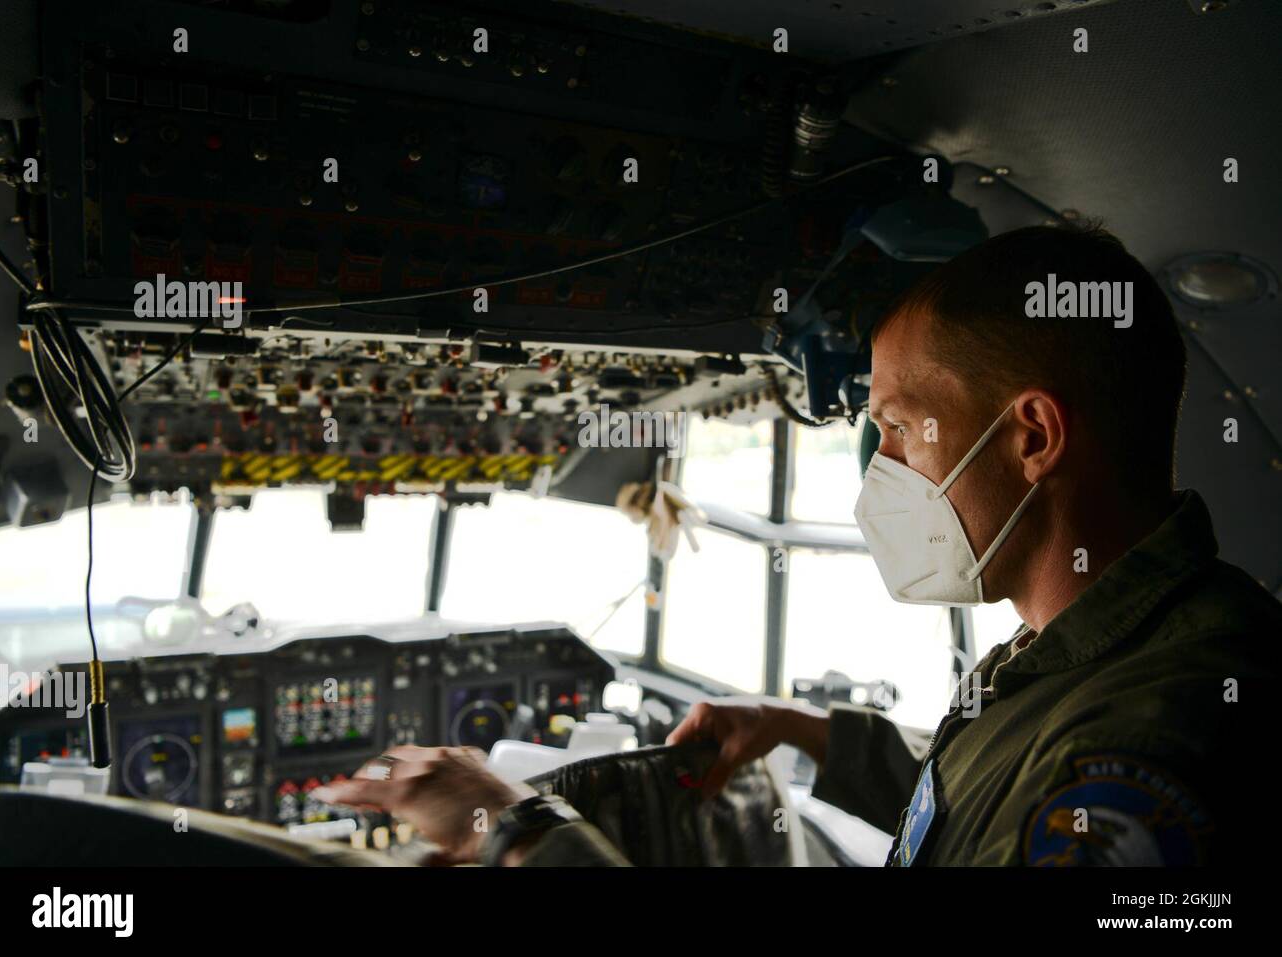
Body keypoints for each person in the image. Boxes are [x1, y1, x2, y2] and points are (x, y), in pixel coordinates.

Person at [315, 224, 1279, 866]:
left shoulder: (1152, 744)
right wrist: (795, 727)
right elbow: (983, 801)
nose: (881, 466)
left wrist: (513, 827)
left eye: (900, 427)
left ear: (1032, 437)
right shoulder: (1105, 644)